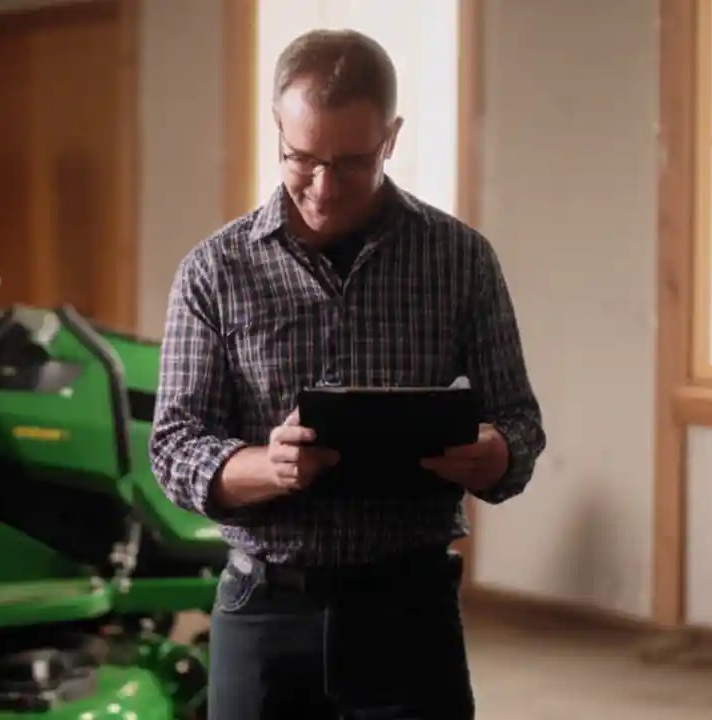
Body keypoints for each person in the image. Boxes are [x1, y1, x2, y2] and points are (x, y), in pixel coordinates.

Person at [149, 28, 545, 720]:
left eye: (352, 163)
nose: (323, 188)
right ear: (277, 127)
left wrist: (497, 455)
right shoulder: (214, 271)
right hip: (263, 606)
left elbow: (520, 422)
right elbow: (174, 446)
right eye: (301, 159)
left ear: (390, 139)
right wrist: (264, 466)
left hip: (410, 611)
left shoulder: (460, 261)